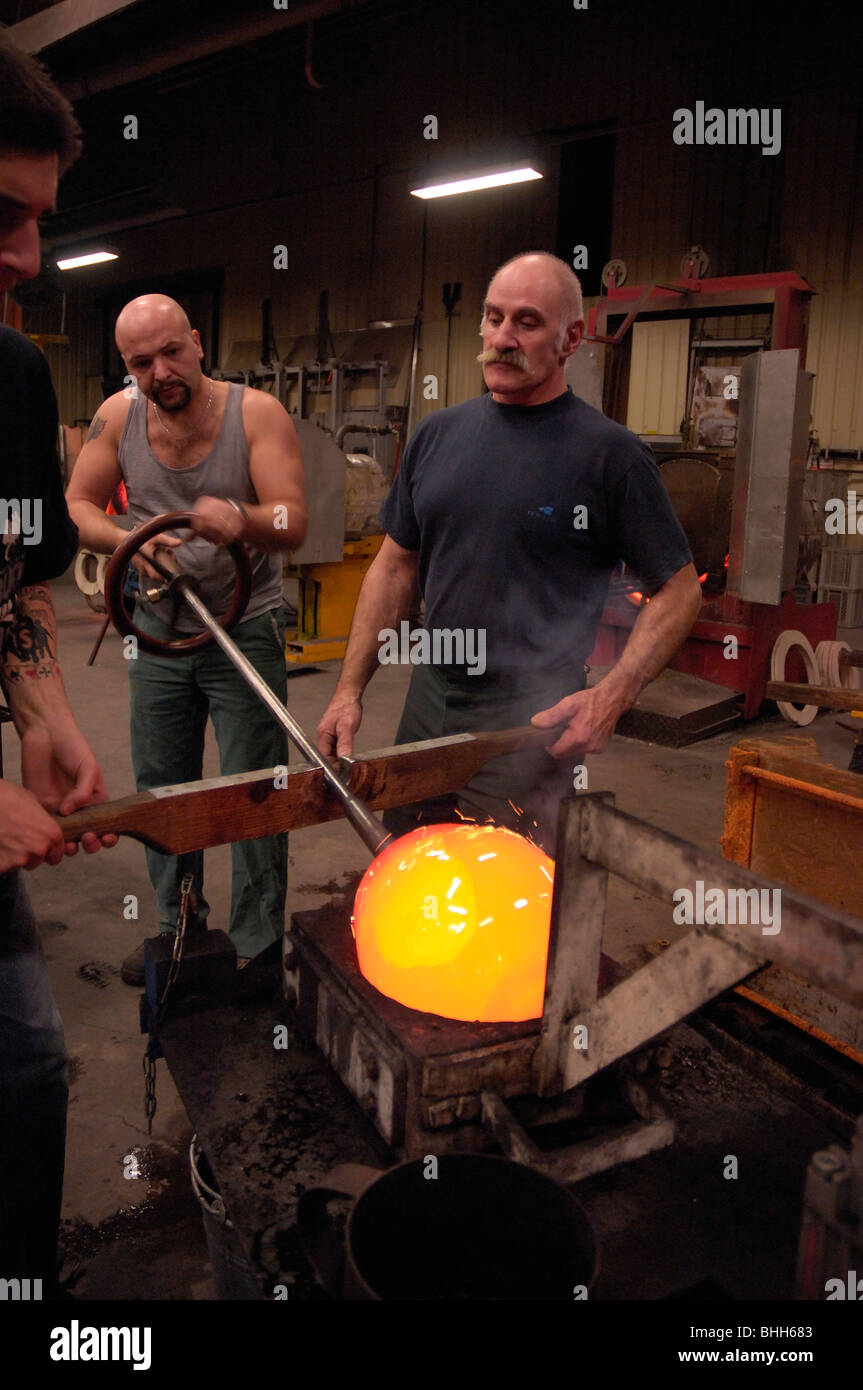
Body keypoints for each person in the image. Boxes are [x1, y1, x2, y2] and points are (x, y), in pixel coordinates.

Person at [317, 251, 703, 852]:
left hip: (533, 716)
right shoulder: (436, 435)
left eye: (526, 322)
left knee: (507, 889)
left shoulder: (610, 454)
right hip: (430, 693)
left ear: (571, 337)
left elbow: (680, 589)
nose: (502, 338)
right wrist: (348, 692)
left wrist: (614, 694)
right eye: (493, 318)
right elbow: (394, 567)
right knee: (406, 867)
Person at [67, 295, 307, 983]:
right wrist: (127, 544)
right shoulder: (119, 417)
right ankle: (179, 934)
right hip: (158, 629)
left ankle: (258, 948)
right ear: (127, 368)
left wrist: (241, 516)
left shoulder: (255, 414)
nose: (161, 371)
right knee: (164, 788)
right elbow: (76, 506)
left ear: (197, 342)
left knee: (257, 788)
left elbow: (292, 519)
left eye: (172, 352)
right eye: (142, 362)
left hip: (245, 624)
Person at [0, 31, 116, 1293]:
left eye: (37, 220)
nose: (28, 256)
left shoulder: (14, 376)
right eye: (1, 214)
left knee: (29, 1076)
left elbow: (17, 583)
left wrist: (44, 709)